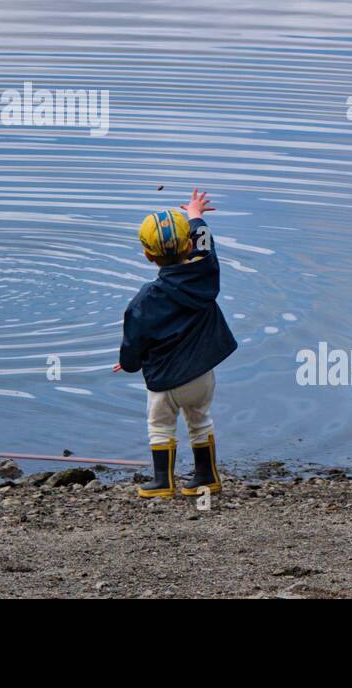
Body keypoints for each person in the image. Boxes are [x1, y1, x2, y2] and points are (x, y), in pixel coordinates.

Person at [114, 189, 237, 498]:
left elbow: (133, 344)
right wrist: (195, 215)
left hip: (165, 382)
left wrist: (130, 363)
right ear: (188, 245)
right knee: (200, 421)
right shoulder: (206, 272)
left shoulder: (144, 301)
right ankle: (206, 477)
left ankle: (162, 482)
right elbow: (205, 241)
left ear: (147, 255)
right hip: (201, 375)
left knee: (160, 426)